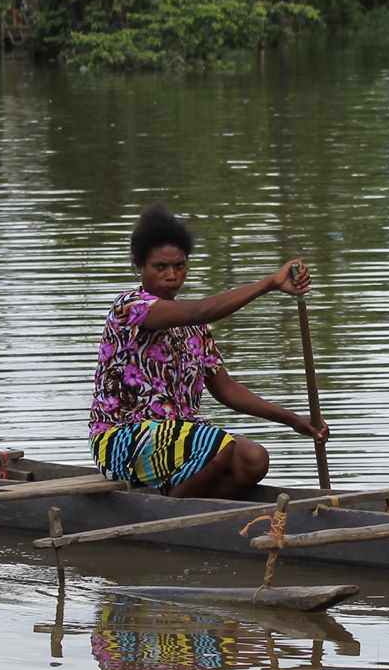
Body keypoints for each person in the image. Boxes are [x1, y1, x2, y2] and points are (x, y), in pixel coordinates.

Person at [89, 203, 329, 499]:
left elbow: (226, 388)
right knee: (216, 446)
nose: (172, 275)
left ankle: (194, 504)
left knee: (253, 459)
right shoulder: (129, 308)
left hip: (181, 440)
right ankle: (169, 510)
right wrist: (269, 283)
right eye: (160, 267)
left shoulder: (195, 328)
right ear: (140, 267)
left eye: (179, 266)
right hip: (122, 440)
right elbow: (199, 311)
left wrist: (293, 420)